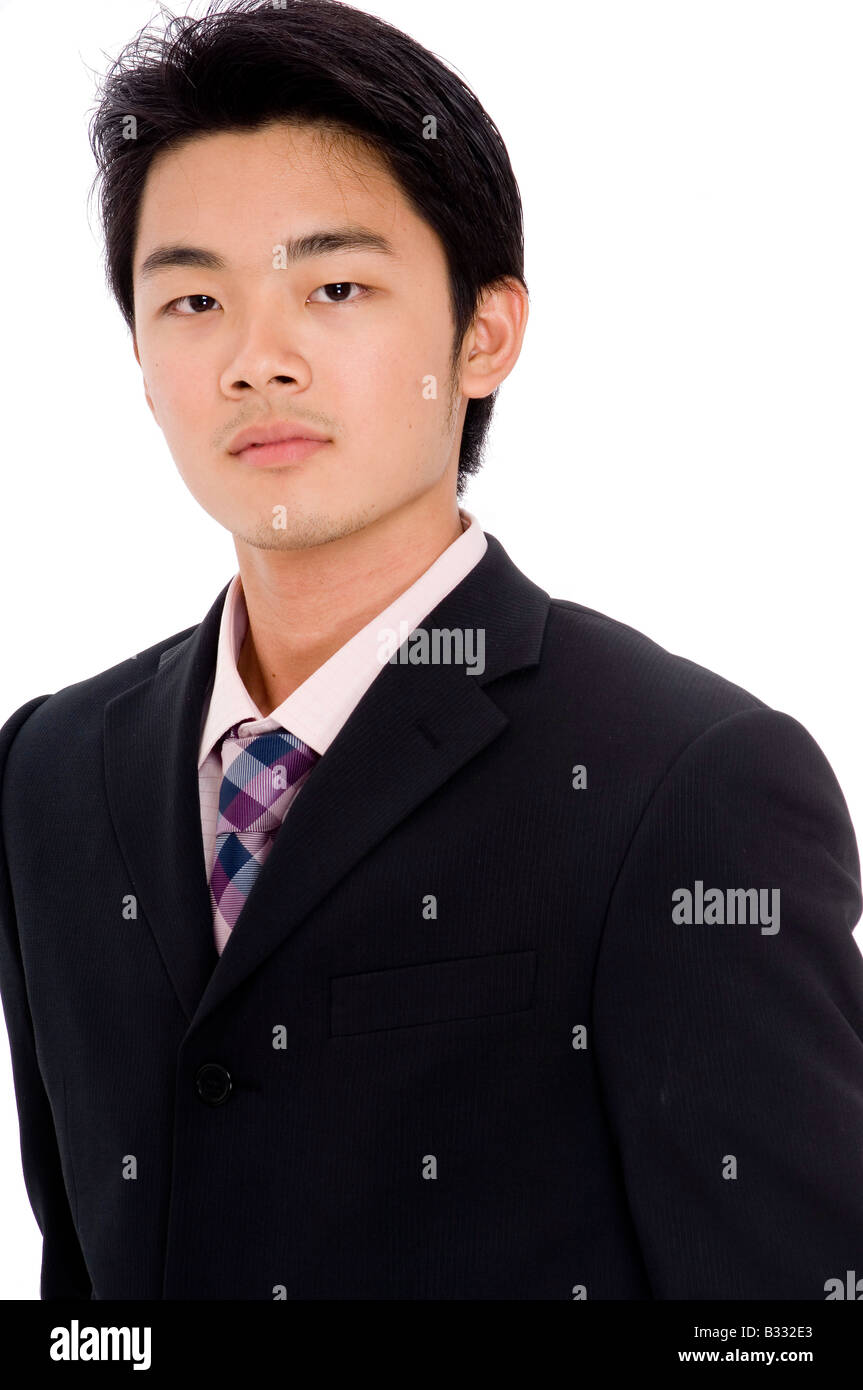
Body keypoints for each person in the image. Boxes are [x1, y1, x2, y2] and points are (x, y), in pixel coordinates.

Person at [1, 0, 861, 1301]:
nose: (255, 358)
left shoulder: (688, 786)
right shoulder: (48, 773)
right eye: (192, 299)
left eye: (335, 288)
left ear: (485, 333)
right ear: (139, 351)